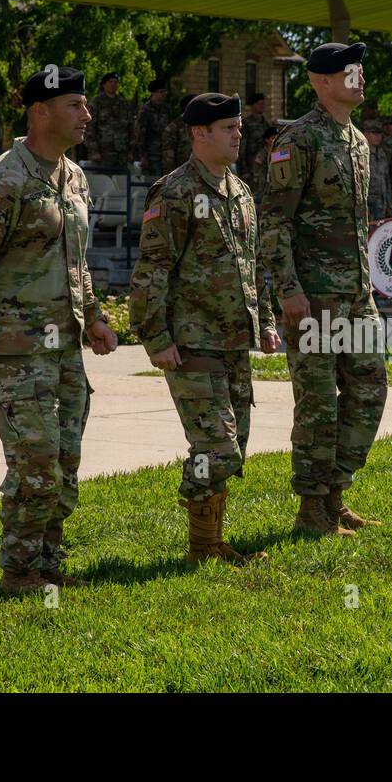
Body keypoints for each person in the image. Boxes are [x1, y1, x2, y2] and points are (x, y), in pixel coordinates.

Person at [0, 67, 118, 593]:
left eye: (86, 105)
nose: (86, 115)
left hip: (65, 346)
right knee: (36, 459)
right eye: (75, 106)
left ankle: (48, 564)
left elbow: (76, 260)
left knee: (66, 458)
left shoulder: (74, 177)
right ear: (41, 112)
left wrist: (95, 319)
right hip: (18, 346)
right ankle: (18, 570)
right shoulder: (3, 180)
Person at [129, 93, 282, 565]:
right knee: (215, 446)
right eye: (229, 128)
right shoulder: (174, 192)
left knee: (236, 446)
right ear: (200, 134)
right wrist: (155, 338)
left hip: (234, 341)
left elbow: (254, 266)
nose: (239, 135)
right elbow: (152, 269)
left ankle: (212, 541)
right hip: (191, 340)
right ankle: (202, 545)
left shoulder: (240, 192)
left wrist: (268, 322)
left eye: (239, 127)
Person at [259, 41, 388, 537]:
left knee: (369, 388)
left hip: (356, 295)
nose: (359, 77)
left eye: (359, 69)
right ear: (321, 81)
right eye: (348, 71)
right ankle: (311, 508)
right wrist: (288, 290)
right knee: (318, 401)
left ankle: (335, 492)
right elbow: (274, 222)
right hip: (313, 298)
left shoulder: (357, 141)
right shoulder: (299, 139)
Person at [87, 72, 131, 168]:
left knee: (121, 181)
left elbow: (130, 127)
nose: (113, 84)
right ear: (104, 84)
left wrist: (131, 152)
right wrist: (94, 151)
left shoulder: (123, 103)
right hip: (103, 152)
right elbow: (89, 128)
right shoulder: (96, 102)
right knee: (103, 180)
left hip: (121, 152)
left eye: (115, 82)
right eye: (110, 82)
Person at [133, 80, 171, 176]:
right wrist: (143, 155)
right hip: (151, 153)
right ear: (154, 93)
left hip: (164, 153)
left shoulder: (166, 109)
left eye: (165, 92)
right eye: (161, 92)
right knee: (152, 181)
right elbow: (140, 133)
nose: (164, 94)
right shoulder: (146, 110)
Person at [239, 92, 271, 190]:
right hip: (251, 168)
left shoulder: (267, 124)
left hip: (265, 168)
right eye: (259, 103)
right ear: (253, 106)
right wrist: (244, 170)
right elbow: (241, 148)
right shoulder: (246, 124)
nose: (262, 106)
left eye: (263, 103)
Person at [161, 93, 197, 174]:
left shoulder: (202, 126)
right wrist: (172, 178)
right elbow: (168, 158)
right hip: (181, 175)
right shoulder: (173, 128)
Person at [365, 119, 391, 221]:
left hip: (382, 204)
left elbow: (386, 179)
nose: (378, 137)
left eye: (379, 133)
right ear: (365, 134)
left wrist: (389, 204)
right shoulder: (360, 153)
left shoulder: (382, 154)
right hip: (368, 204)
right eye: (374, 133)